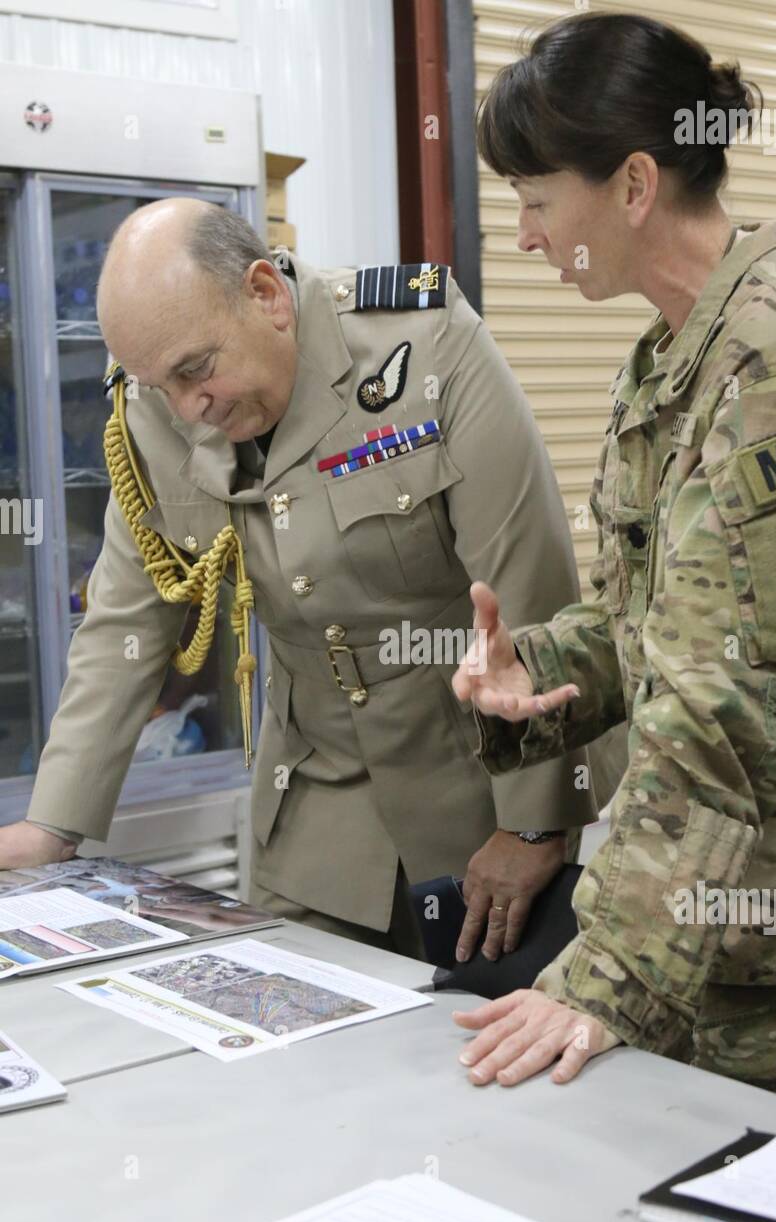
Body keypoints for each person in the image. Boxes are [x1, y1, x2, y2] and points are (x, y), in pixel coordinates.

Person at [0, 198, 621, 959]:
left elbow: (532, 593)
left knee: (485, 1050)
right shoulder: (157, 404)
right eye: (159, 384)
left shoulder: (425, 349)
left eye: (198, 370)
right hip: (315, 804)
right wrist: (51, 823)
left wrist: (534, 823)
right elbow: (128, 621)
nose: (189, 407)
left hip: (476, 786)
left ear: (266, 295)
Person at [452, 11, 776, 1092]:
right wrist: (534, 671)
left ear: (631, 186)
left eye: (536, 200)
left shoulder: (770, 369)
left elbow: (725, 709)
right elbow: (653, 620)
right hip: (723, 941)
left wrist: (602, 983)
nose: (526, 234)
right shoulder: (671, 359)